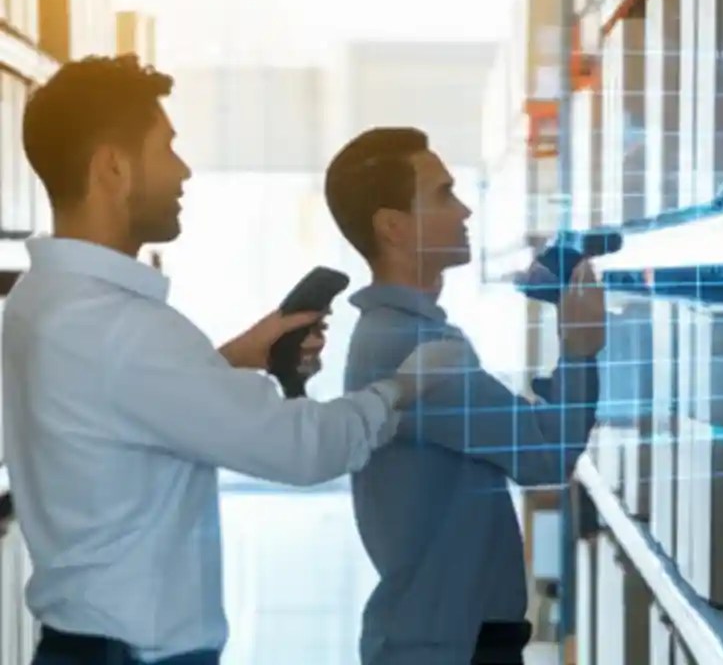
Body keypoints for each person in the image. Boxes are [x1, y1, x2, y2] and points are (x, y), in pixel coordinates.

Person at [1, 55, 449, 665]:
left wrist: (227, 361)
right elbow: (303, 449)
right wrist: (402, 387)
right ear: (113, 166)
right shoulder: (123, 330)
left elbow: (107, 410)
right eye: (167, 148)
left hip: (84, 644)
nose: (183, 170)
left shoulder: (41, 300)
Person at [324, 127, 604, 665]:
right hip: (447, 649)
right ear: (393, 227)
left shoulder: (405, 334)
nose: (464, 211)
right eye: (442, 194)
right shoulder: (408, 344)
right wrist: (580, 349)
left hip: (446, 640)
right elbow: (546, 454)